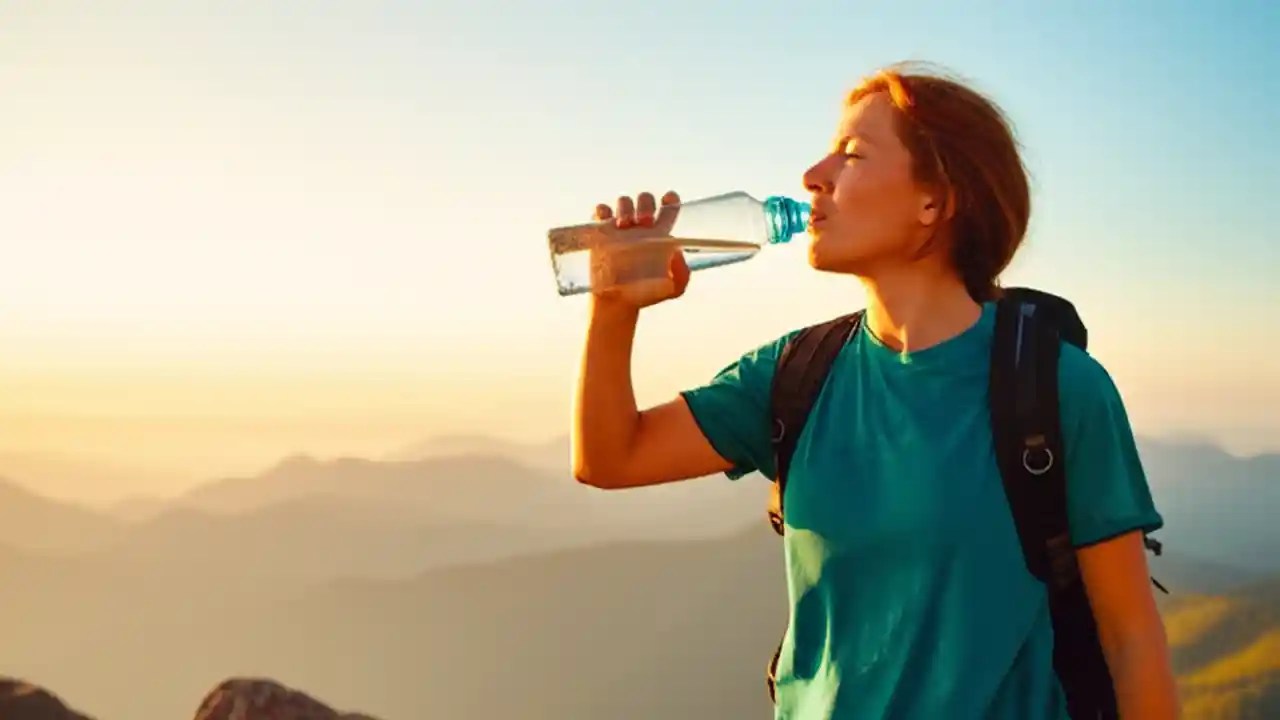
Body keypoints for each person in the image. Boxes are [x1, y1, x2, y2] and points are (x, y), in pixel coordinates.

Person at [570, 62, 1179, 719]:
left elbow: (1131, 640)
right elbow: (610, 458)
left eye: (853, 154)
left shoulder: (1058, 389)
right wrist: (614, 310)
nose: (813, 175)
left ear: (935, 201)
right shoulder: (796, 375)